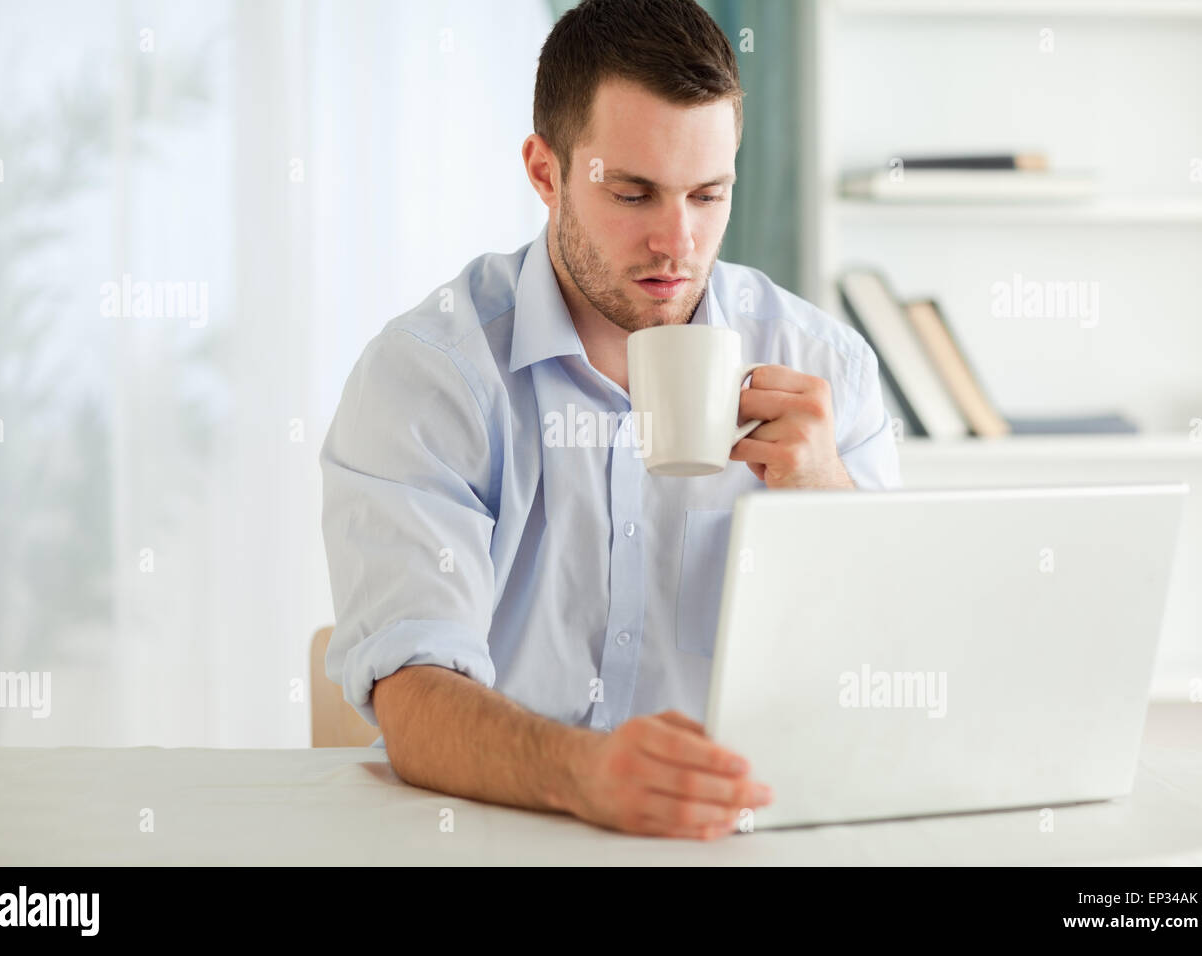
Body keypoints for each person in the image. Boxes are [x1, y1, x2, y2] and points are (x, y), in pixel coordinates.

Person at [320, 0, 900, 840]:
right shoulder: (430, 379)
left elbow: (899, 664)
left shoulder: (825, 366)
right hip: (503, 835)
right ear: (545, 172)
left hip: (757, 834)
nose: (679, 243)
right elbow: (413, 694)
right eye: (634, 193)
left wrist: (830, 492)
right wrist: (583, 774)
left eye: (709, 194)